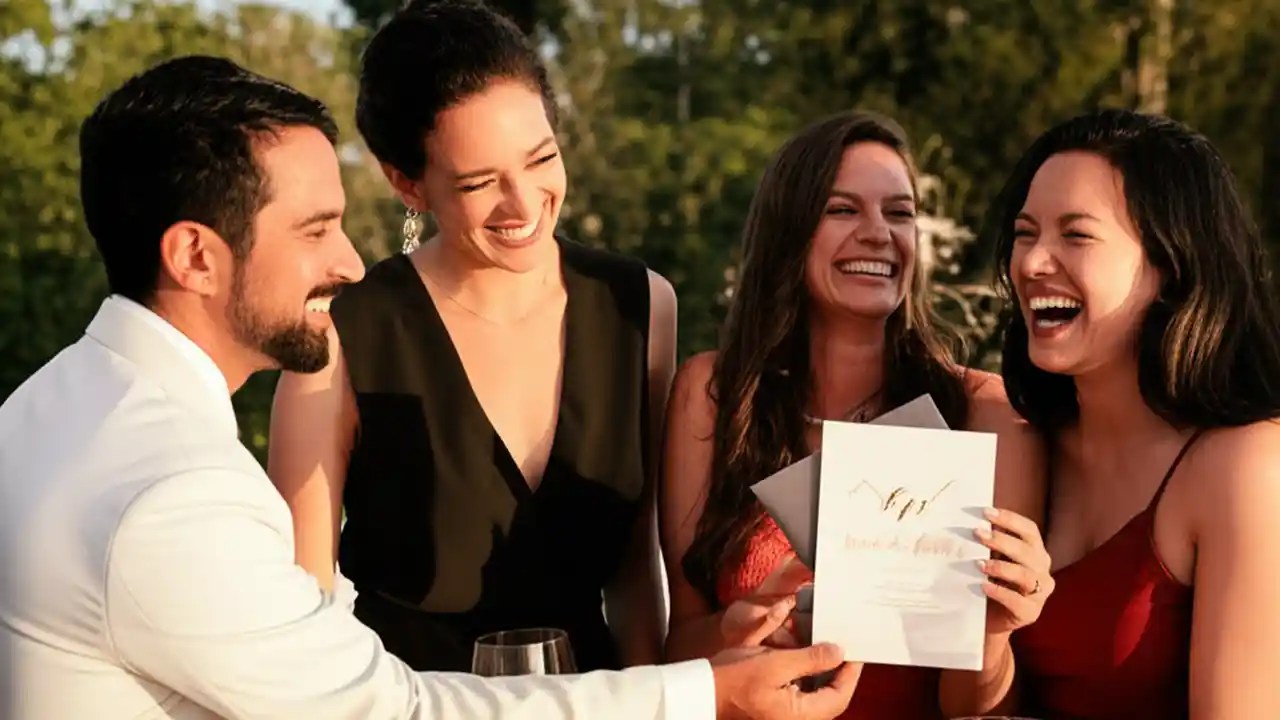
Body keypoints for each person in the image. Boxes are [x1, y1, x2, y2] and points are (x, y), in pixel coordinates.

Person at [0, 54, 861, 720]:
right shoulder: (171, 492)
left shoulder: (44, 409)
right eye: (316, 231)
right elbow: (390, 710)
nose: (347, 263)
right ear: (193, 255)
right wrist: (704, 695)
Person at [267, 0, 671, 673]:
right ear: (408, 184)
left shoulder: (641, 305)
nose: (523, 204)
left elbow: (634, 576)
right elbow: (303, 602)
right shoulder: (342, 330)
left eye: (541, 159)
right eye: (481, 182)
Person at [659, 110, 1052, 720]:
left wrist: (990, 633)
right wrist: (734, 632)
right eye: (843, 210)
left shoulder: (987, 415)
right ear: (789, 232)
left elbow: (981, 711)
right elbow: (674, 652)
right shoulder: (712, 394)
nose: (877, 233)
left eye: (899, 213)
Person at [990, 109, 1280, 718]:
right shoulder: (1023, 447)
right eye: (1025, 232)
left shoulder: (1245, 468)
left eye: (1076, 235)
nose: (1032, 263)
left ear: (1169, 266)